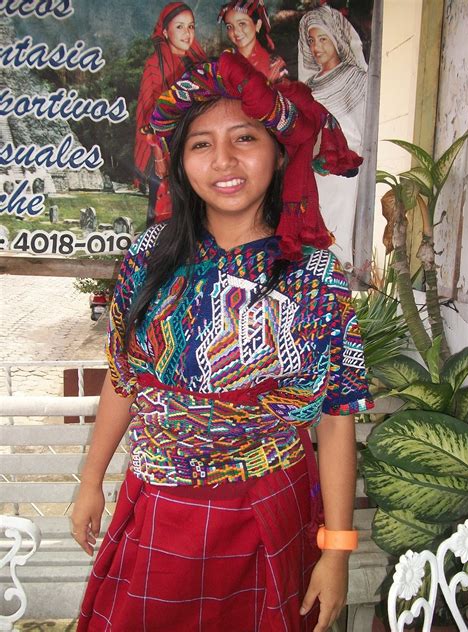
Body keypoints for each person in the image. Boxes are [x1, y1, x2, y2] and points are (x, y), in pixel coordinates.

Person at [72, 51, 373, 631]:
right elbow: (122, 377)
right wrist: (91, 483)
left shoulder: (318, 275)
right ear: (180, 163)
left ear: (279, 150)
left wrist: (336, 550)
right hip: (158, 506)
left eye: (245, 138)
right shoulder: (149, 256)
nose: (224, 160)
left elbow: (338, 416)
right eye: (201, 144)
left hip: (269, 509)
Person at [298, 5, 368, 269]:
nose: (317, 47)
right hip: (314, 174)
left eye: (323, 39)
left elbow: (361, 127)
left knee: (341, 229)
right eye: (312, 40)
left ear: (337, 40)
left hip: (346, 172)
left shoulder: (356, 79)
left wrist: (339, 153)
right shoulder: (309, 87)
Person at [134, 2, 206, 226]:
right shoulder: (154, 66)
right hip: (165, 154)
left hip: (198, 150)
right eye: (180, 27)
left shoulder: (200, 63)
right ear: (165, 31)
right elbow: (148, 115)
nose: (187, 33)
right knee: (164, 220)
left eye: (191, 27)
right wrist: (158, 154)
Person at [218, 0, 287, 83]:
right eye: (229, 26)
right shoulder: (227, 61)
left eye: (242, 24)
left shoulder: (274, 65)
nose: (235, 32)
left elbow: (283, 93)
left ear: (258, 25)